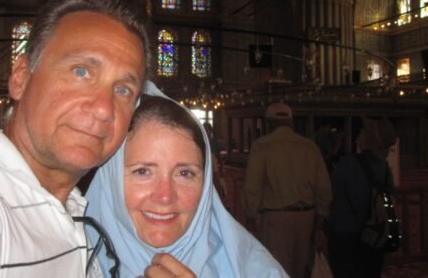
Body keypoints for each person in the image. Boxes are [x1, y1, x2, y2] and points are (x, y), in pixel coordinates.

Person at [0, 0, 149, 277]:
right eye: (81, 72)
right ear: (21, 77)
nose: (104, 109)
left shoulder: (76, 212)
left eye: (123, 90)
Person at [86, 82, 287, 278]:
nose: (165, 196)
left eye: (185, 173)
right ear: (110, 179)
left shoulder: (255, 270)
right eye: (142, 171)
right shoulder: (67, 260)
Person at [242, 102, 332, 278]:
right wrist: (319, 224)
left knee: (277, 270)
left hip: (275, 220)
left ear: (268, 124)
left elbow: (252, 188)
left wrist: (251, 218)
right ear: (291, 123)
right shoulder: (309, 147)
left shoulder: (262, 146)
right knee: (302, 270)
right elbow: (324, 190)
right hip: (306, 218)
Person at [328, 117, 397, 278]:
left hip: (345, 237)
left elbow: (331, 193)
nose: (360, 132)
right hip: (374, 237)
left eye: (364, 131)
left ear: (370, 139)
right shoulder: (385, 168)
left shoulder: (348, 164)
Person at [202, 121, 227, 199]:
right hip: (206, 164)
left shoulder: (214, 142)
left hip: (213, 165)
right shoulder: (202, 143)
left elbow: (218, 156)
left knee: (216, 181)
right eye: (205, 130)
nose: (207, 132)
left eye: (208, 130)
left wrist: (222, 169)